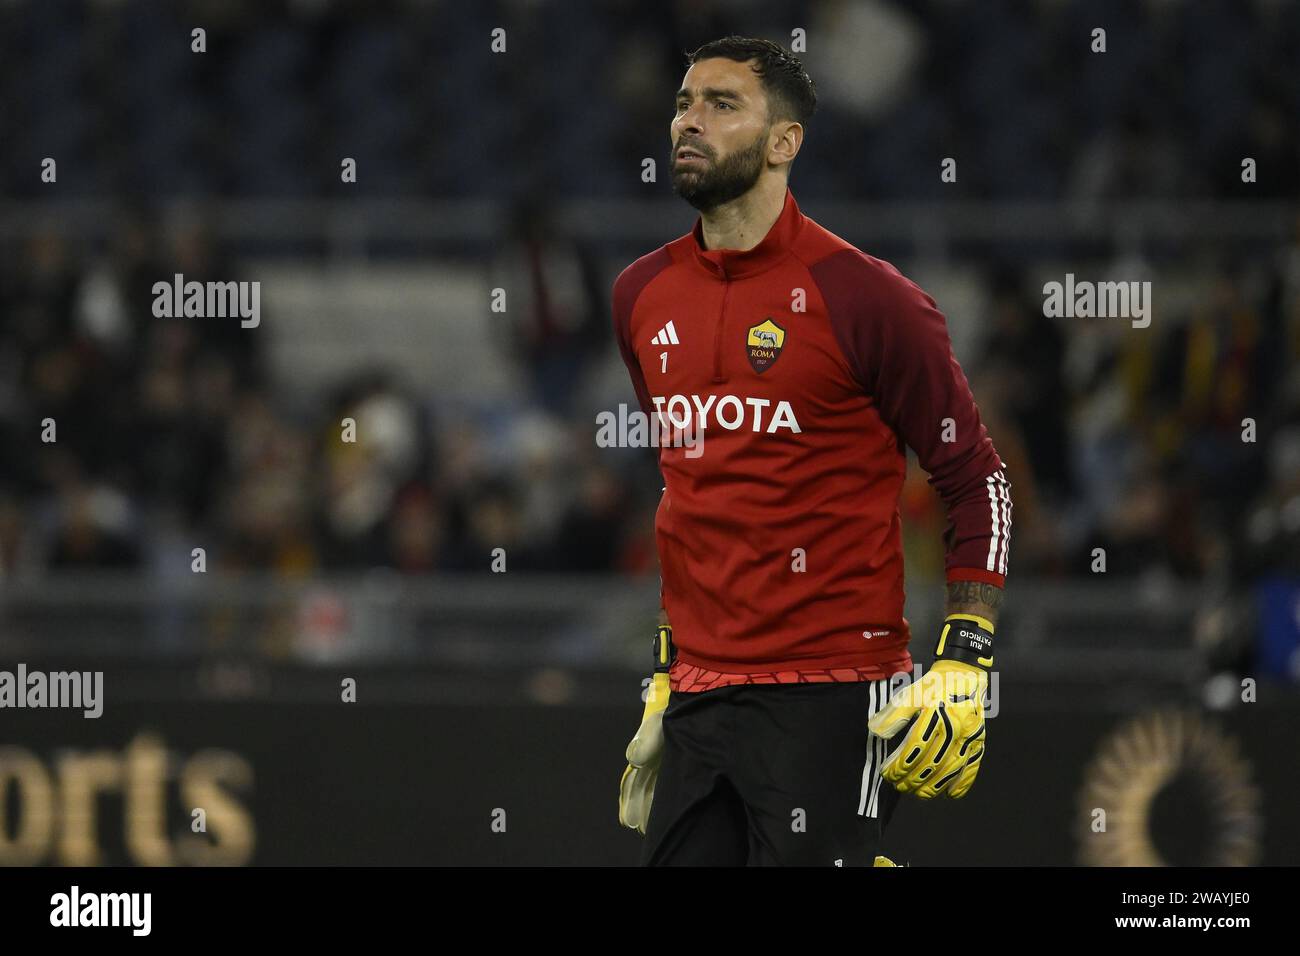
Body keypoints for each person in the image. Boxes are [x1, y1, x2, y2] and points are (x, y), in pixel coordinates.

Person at [613, 37, 1011, 866]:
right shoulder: (640, 297)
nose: (690, 120)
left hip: (835, 695)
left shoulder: (868, 298)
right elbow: (686, 499)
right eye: (685, 102)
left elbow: (975, 478)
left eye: (722, 104)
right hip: (698, 701)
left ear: (784, 142)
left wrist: (966, 653)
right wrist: (663, 672)